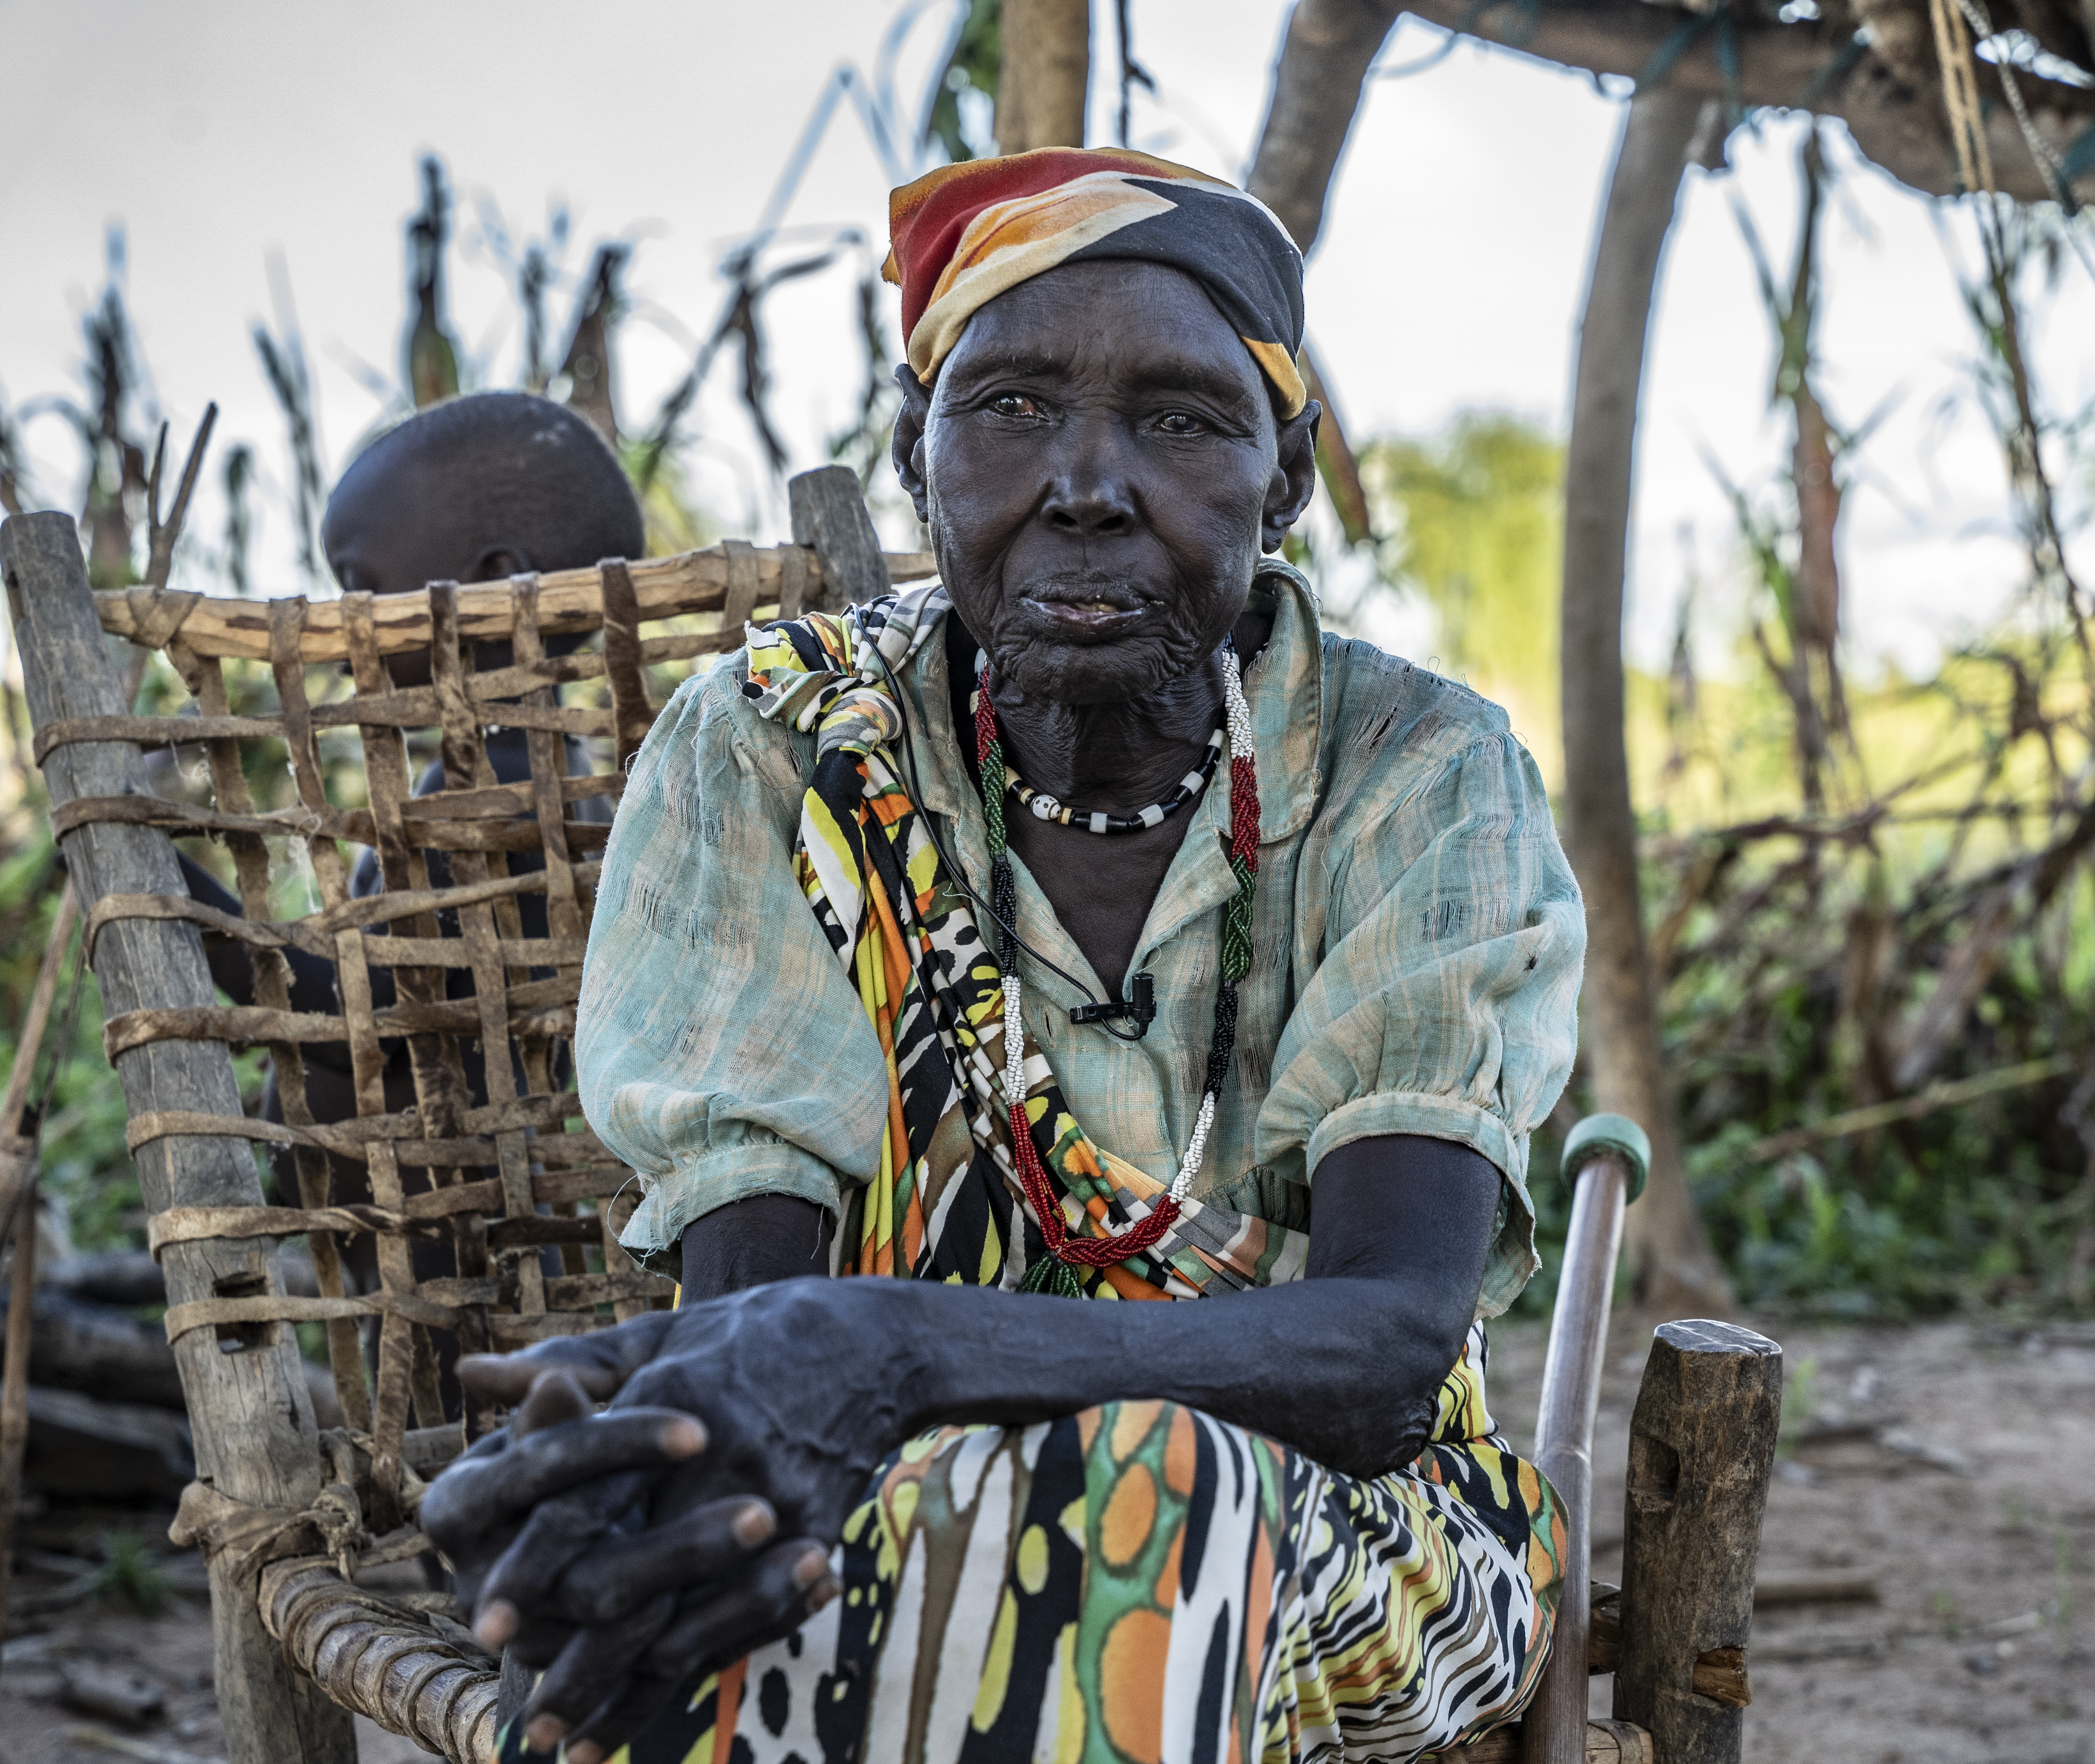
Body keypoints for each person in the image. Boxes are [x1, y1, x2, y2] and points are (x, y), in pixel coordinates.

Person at [422, 149, 1586, 1764]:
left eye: (1180, 420)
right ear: (919, 451)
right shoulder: (779, 749)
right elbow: (755, 1319)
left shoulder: (1419, 771)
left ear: (1290, 478)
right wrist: (668, 1474)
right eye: (1014, 408)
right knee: (703, 1570)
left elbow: (1384, 1353)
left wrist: (899, 1352)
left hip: (1358, 1529)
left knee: (1139, 1501)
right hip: (878, 1495)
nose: (1087, 483)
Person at [181, 391, 641, 1363]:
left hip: (448, 1239)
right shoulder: (513, 776)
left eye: (361, 585)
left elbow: (351, 1011)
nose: (343, 618)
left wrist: (170, 886)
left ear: (496, 585)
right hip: (429, 1238)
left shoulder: (502, 790)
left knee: (472, 1434)